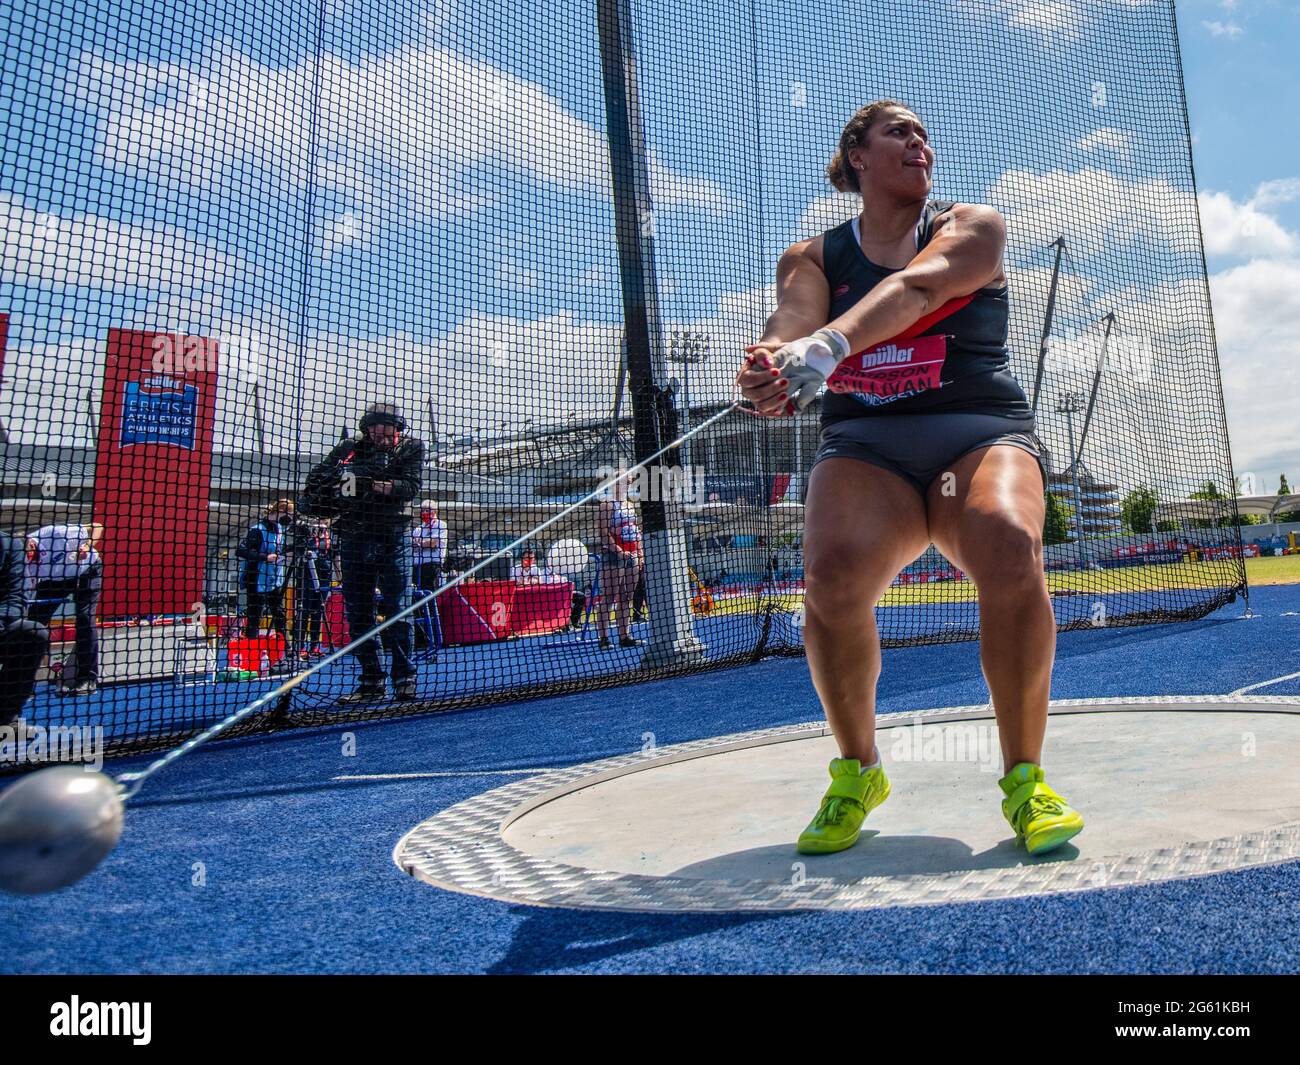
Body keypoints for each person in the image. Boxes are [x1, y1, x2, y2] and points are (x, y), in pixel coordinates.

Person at [735, 100, 1082, 857]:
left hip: (978, 431)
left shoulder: (973, 226)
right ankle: (857, 770)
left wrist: (828, 346)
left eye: (925, 131)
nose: (919, 141)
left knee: (1008, 540)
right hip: (870, 445)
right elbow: (789, 321)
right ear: (856, 156)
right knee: (831, 576)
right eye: (899, 131)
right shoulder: (816, 258)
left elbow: (919, 291)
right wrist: (767, 365)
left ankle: (1026, 779)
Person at [302, 402, 424, 703]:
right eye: (376, 433)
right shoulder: (349, 448)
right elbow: (322, 480)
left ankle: (404, 679)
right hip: (354, 533)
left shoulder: (410, 447)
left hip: (393, 534)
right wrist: (354, 480)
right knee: (358, 613)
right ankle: (371, 681)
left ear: (397, 430)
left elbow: (409, 486)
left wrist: (378, 484)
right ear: (367, 429)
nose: (382, 439)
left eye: (388, 433)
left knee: (399, 609)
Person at [26, 520, 103, 696]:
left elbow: (97, 526)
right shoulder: (22, 562)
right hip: (54, 581)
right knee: (32, 625)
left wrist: (86, 546)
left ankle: (87, 678)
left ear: (32, 544)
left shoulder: (55, 534)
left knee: (84, 618)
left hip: (87, 570)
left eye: (29, 554)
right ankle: (24, 683)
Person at [0, 530, 49, 736]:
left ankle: (4, 719)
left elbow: (16, 595)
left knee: (34, 633)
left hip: (1, 623)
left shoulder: (10, 544)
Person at [236, 499, 292, 649]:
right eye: (287, 513)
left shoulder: (279, 529)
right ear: (279, 511)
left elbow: (278, 549)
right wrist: (264, 557)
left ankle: (286, 647)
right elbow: (241, 551)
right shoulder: (258, 530)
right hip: (256, 578)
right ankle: (250, 648)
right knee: (256, 615)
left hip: (274, 578)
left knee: (279, 613)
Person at [596, 476, 643, 649]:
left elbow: (635, 530)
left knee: (626, 598)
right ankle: (604, 639)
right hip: (614, 555)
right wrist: (619, 551)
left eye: (628, 482)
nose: (625, 485)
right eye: (622, 482)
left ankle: (625, 636)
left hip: (632, 554)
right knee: (608, 598)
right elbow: (603, 533)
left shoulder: (630, 505)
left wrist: (639, 552)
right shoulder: (607, 505)